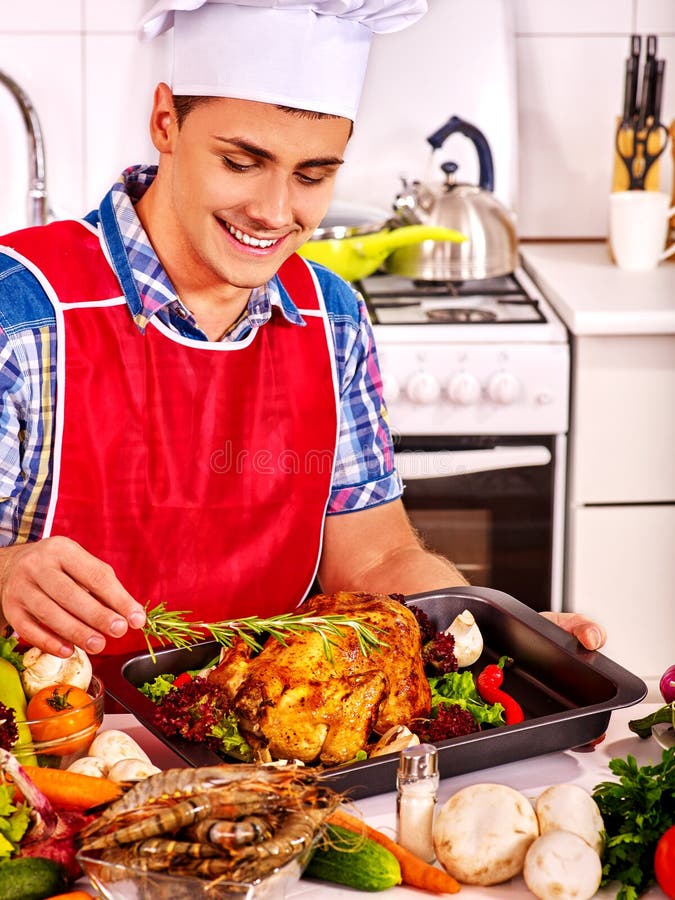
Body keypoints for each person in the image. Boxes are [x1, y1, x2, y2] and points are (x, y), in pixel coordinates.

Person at [0, 0, 605, 665]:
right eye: (240, 162)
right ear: (165, 122)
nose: (273, 211)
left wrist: (492, 629)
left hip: (268, 718)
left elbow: (373, 559)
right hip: (49, 719)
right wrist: (5, 572)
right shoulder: (21, 310)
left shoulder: (332, 317)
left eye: (312, 175)